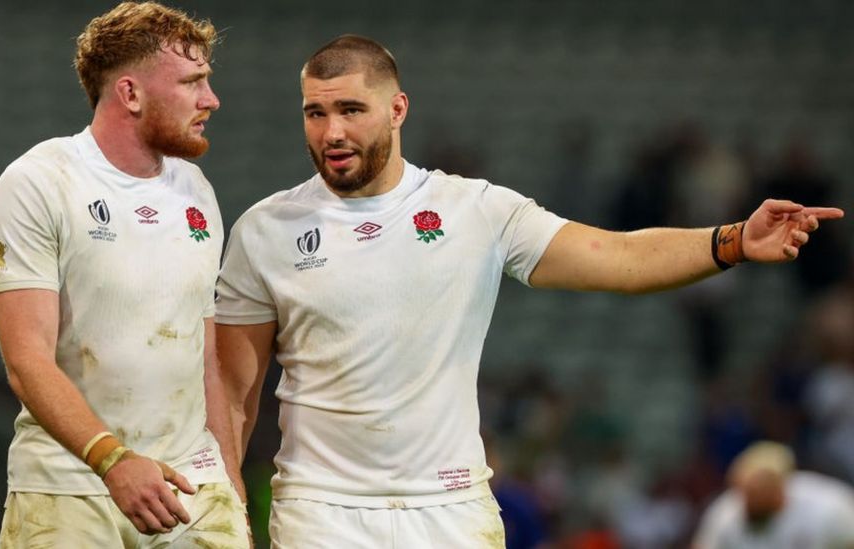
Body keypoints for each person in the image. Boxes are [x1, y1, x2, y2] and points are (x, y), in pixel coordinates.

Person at [213, 34, 844, 548]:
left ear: (398, 109)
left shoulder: (475, 210)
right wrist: (228, 506)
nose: (331, 132)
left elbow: (618, 256)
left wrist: (731, 240)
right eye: (315, 112)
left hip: (451, 507)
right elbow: (233, 391)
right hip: (323, 511)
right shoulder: (266, 230)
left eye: (350, 110)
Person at [0, 3, 249, 547]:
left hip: (193, 489)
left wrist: (232, 484)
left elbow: (205, 354)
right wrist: (113, 460)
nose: (211, 100)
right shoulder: (40, 182)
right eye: (193, 82)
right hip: (70, 487)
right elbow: (26, 361)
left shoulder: (196, 190)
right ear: (130, 94)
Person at [693, 441, 854, 549]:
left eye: (760, 490)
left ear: (782, 485)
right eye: (747, 492)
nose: (750, 500)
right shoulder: (726, 512)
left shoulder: (830, 504)